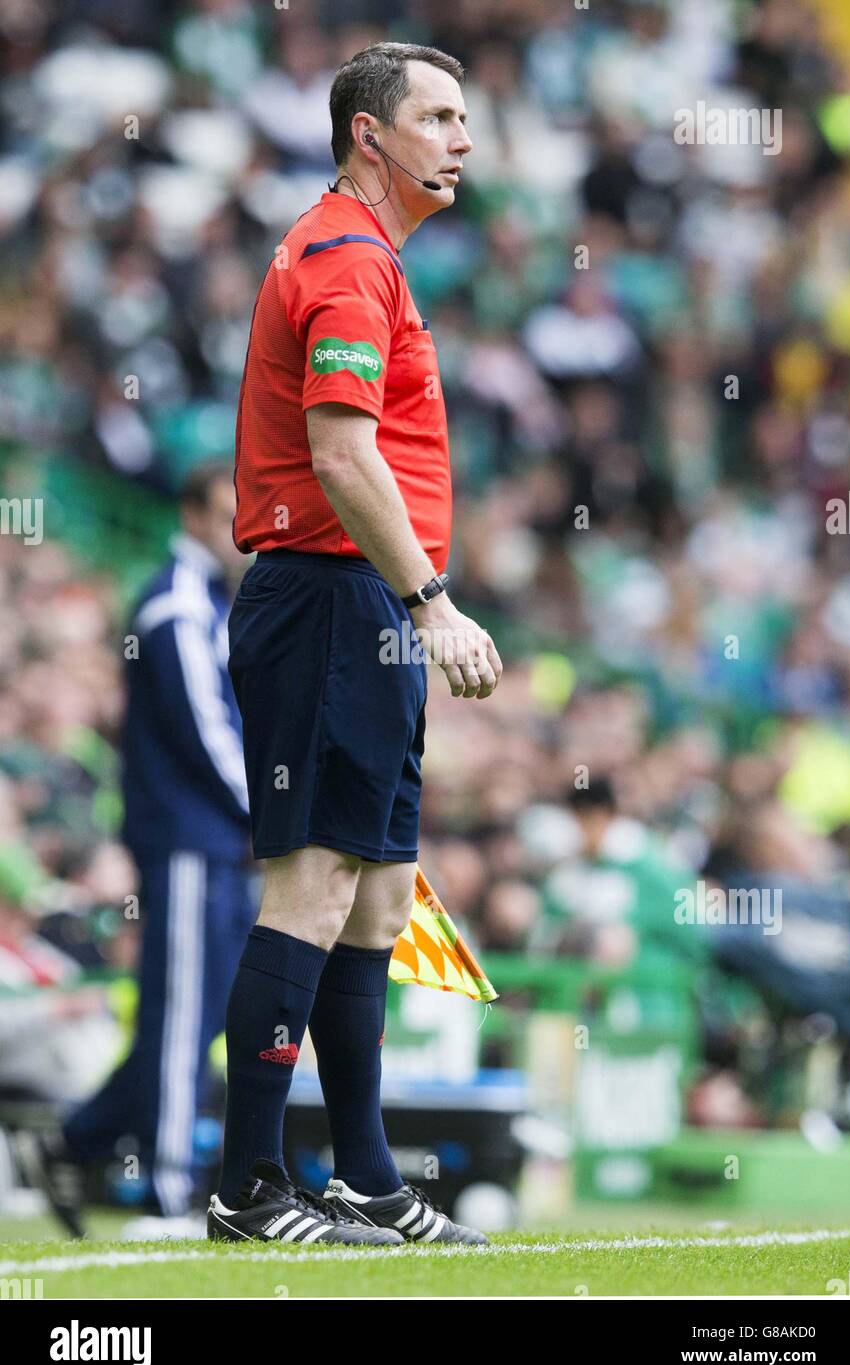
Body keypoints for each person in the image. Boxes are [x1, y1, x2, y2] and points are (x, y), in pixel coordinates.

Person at [209, 42, 502, 1248]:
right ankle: (246, 1185)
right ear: (367, 137)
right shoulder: (340, 255)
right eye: (437, 116)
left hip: (359, 607)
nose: (461, 138)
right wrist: (431, 601)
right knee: (317, 883)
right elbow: (340, 454)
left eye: (465, 117)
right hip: (332, 599)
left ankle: (369, 1178)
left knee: (379, 898)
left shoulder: (367, 257)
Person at [20, 465, 253, 1237]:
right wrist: (268, 810)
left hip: (214, 842)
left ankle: (73, 1141)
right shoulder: (177, 605)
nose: (238, 531)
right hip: (189, 840)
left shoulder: (209, 603)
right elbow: (205, 731)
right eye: (226, 512)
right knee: (187, 1014)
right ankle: (167, 1191)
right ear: (190, 513)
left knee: (189, 1016)